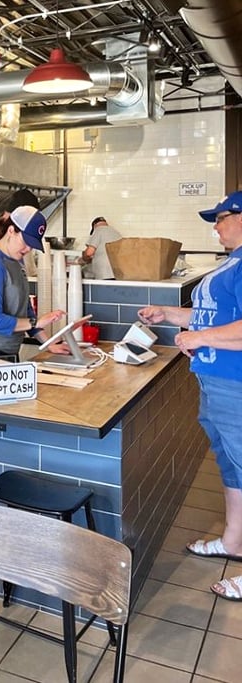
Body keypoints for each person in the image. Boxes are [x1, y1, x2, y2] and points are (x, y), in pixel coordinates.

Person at [138, 191, 242, 601]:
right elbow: (215, 317)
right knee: (231, 465)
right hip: (215, 381)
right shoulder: (232, 262)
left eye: (221, 218)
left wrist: (199, 338)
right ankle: (234, 541)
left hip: (236, 383)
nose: (215, 227)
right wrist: (169, 315)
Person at [0, 206, 68, 360]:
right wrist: (36, 323)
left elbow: (25, 310)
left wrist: (49, 343)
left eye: (32, 245)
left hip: (6, 354)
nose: (28, 249)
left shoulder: (16, 261)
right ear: (11, 231)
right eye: (26, 242)